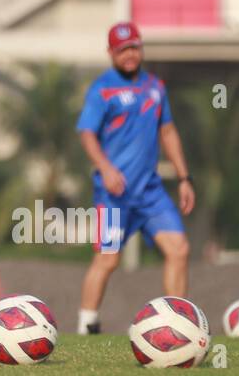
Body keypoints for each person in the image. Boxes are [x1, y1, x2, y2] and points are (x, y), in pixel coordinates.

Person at [74, 21, 195, 334]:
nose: (129, 54)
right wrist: (105, 167)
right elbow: (86, 134)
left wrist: (184, 177)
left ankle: (175, 322)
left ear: (141, 48)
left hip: (150, 192)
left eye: (134, 47)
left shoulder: (155, 87)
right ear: (110, 53)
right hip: (112, 195)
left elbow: (167, 131)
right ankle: (88, 324)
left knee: (178, 249)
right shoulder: (102, 89)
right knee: (107, 260)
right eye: (122, 49)